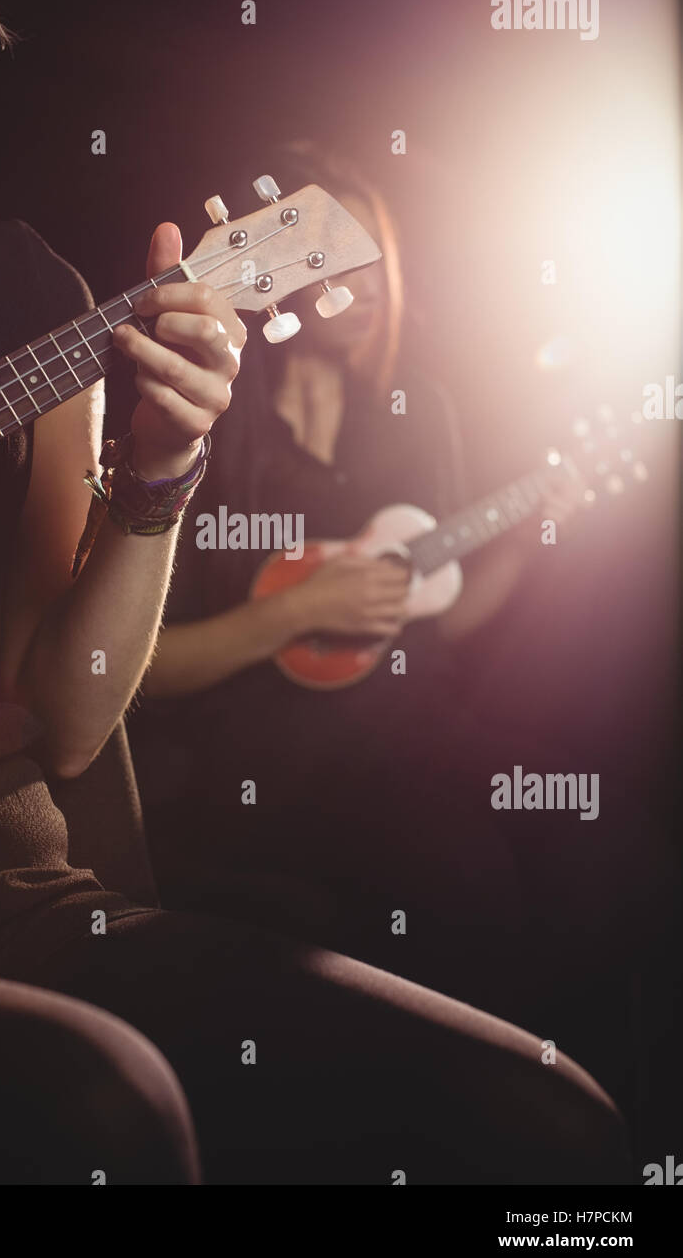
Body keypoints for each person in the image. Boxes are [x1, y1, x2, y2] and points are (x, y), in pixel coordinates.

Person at [0, 0, 630, 1185]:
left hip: (14, 907)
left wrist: (158, 473)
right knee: (103, 1111)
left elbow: (68, 722)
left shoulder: (34, 295)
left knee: (551, 1127)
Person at [127, 143, 585, 1018]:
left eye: (377, 251)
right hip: (264, 761)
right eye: (338, 248)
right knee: (466, 882)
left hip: (415, 727)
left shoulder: (419, 413)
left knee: (599, 851)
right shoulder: (198, 424)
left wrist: (529, 540)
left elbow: (436, 622)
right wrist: (298, 611)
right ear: (280, 264)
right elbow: (141, 667)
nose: (365, 274)